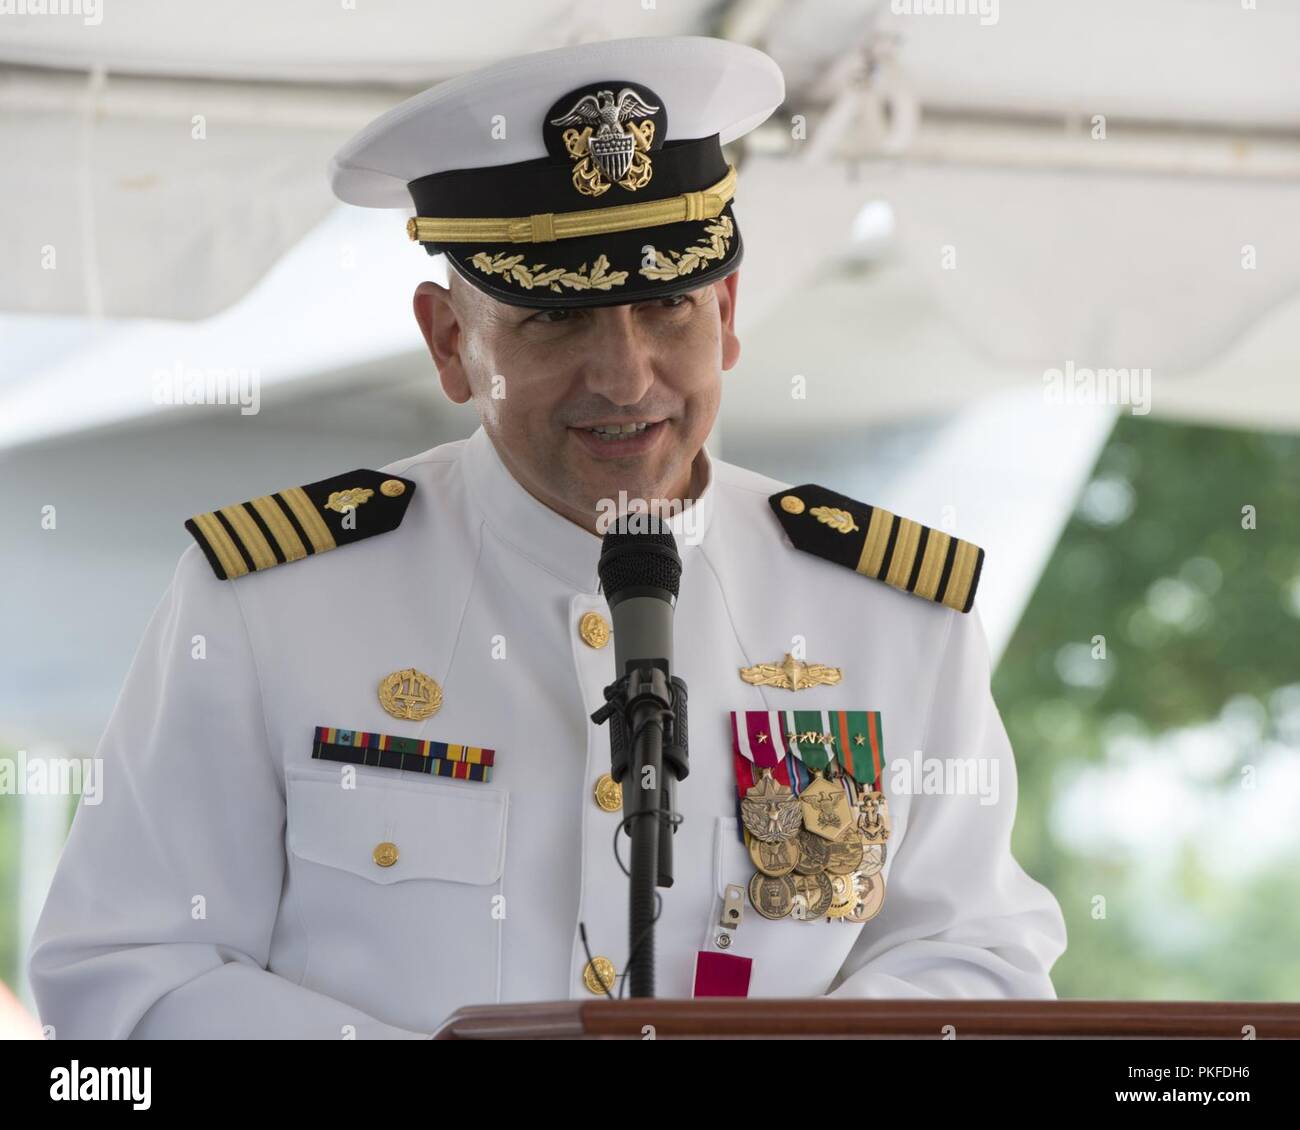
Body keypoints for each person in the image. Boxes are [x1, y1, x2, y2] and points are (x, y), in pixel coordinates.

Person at [28, 35, 1066, 1039]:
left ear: (729, 310)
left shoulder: (892, 614)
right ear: (449, 342)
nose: (624, 376)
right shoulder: (268, 599)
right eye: (555, 320)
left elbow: (977, 957)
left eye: (665, 305)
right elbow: (126, 967)